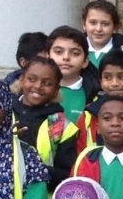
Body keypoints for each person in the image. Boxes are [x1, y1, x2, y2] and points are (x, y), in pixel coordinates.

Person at [11, 55, 78, 189]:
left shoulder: (63, 126)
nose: (38, 86)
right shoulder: (3, 112)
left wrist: (32, 168)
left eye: (47, 83)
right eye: (32, 79)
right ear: (22, 80)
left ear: (56, 90)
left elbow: (66, 175)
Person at [48, 25, 100, 120]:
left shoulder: (97, 95)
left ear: (85, 61)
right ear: (47, 56)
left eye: (75, 53)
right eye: (59, 52)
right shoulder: (33, 91)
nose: (66, 57)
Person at [83, 0, 123, 69]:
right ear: (84, 24)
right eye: (93, 23)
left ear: (115, 27)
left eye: (105, 24)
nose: (98, 29)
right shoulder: (75, 48)